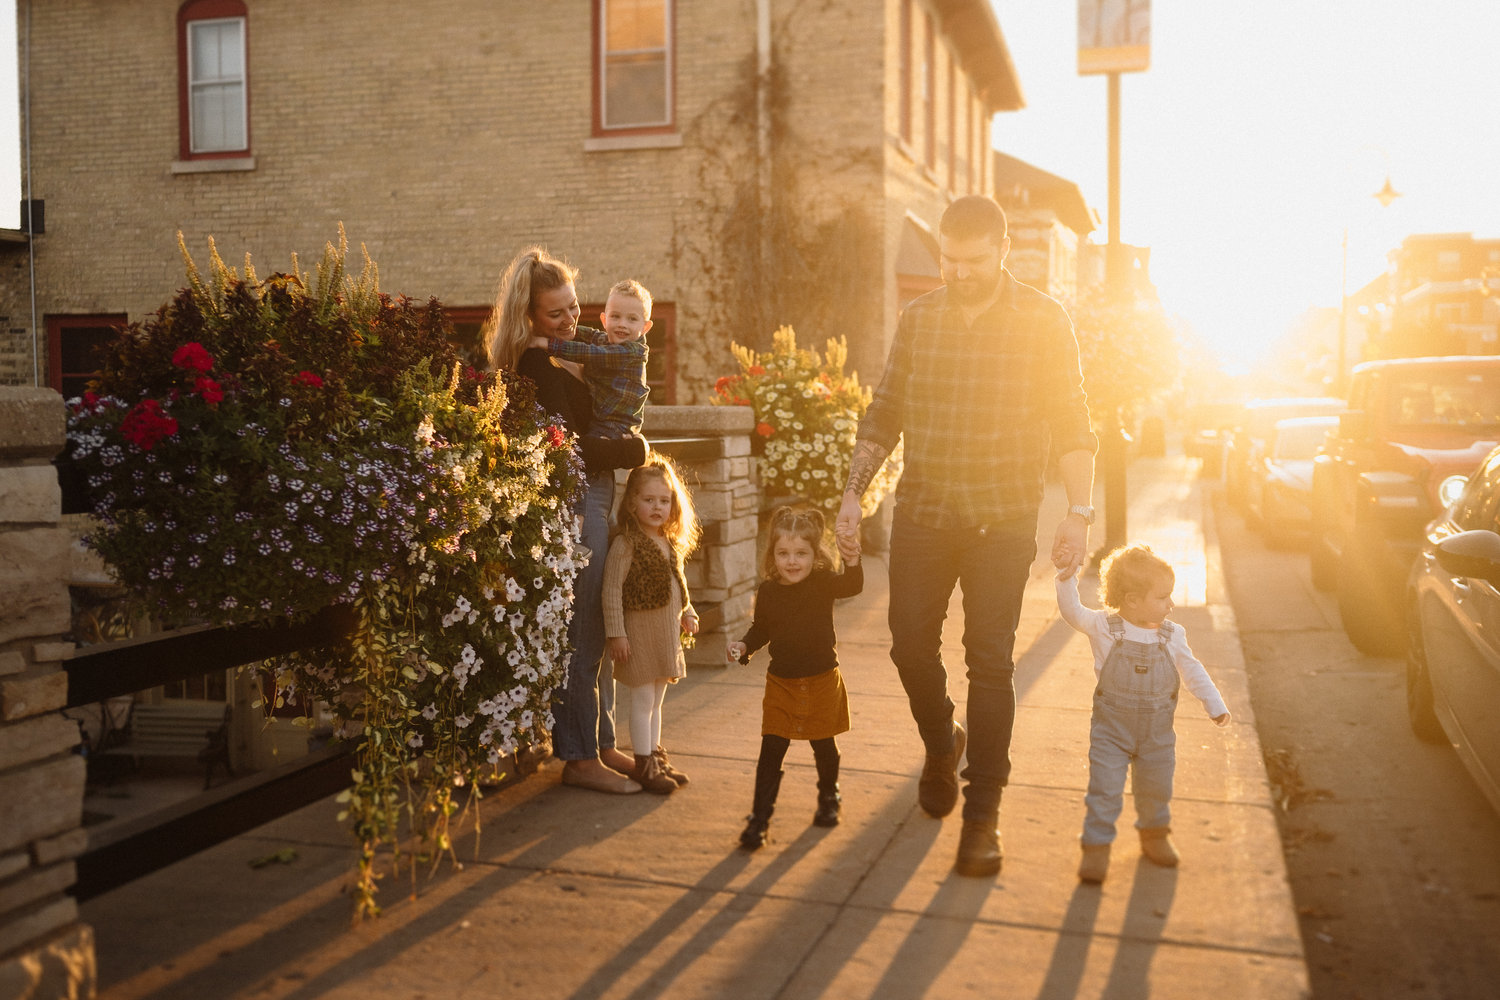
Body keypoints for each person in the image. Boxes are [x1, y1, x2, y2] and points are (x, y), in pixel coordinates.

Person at [835, 194, 1098, 878]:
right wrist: (851, 495)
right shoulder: (921, 318)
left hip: (1002, 521)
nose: (956, 272)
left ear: (1003, 251)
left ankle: (983, 815)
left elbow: (1072, 420)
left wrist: (1079, 512)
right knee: (909, 645)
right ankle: (940, 740)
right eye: (947, 259)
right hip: (923, 512)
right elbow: (885, 408)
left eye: (971, 261)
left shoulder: (1044, 320)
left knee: (990, 661)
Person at [485, 246, 647, 794]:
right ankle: (578, 758)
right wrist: (636, 451)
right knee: (582, 629)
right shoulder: (536, 364)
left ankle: (601, 743)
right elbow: (569, 451)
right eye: (556, 315)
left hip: (596, 497)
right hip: (575, 503)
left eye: (575, 307)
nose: (570, 319)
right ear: (529, 317)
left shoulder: (572, 352)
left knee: (600, 623)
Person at [1055, 543, 1232, 884]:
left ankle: (1155, 834)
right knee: (1104, 790)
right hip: (1111, 733)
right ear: (1133, 600)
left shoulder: (1172, 635)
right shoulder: (1104, 626)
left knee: (1156, 788)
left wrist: (1215, 703)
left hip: (1157, 736)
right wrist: (1066, 578)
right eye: (1163, 597)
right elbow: (1072, 611)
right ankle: (1096, 847)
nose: (1172, 604)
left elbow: (1192, 670)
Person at [727, 507, 864, 850]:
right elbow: (762, 629)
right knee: (771, 750)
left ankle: (829, 796)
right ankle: (759, 820)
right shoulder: (770, 591)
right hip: (782, 684)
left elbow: (853, 584)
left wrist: (853, 558)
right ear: (772, 554)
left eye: (801, 553)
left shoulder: (822, 583)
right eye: (783, 553)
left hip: (821, 679)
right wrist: (745, 646)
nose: (792, 561)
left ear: (815, 554)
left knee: (824, 745)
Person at [601, 453, 701, 794]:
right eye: (648, 500)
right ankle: (643, 764)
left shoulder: (669, 544)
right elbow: (611, 590)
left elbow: (678, 583)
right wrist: (616, 633)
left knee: (658, 701)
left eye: (664, 500)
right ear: (632, 503)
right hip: (639, 636)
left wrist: (688, 611)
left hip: (665, 635)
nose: (657, 507)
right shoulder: (625, 545)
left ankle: (656, 757)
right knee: (643, 701)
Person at [531, 278, 651, 439]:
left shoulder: (632, 352)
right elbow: (591, 334)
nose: (622, 324)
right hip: (601, 417)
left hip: (617, 426)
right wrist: (565, 328)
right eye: (615, 316)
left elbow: (590, 353)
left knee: (587, 450)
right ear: (604, 320)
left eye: (632, 319)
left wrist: (548, 343)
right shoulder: (606, 340)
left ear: (645, 327)